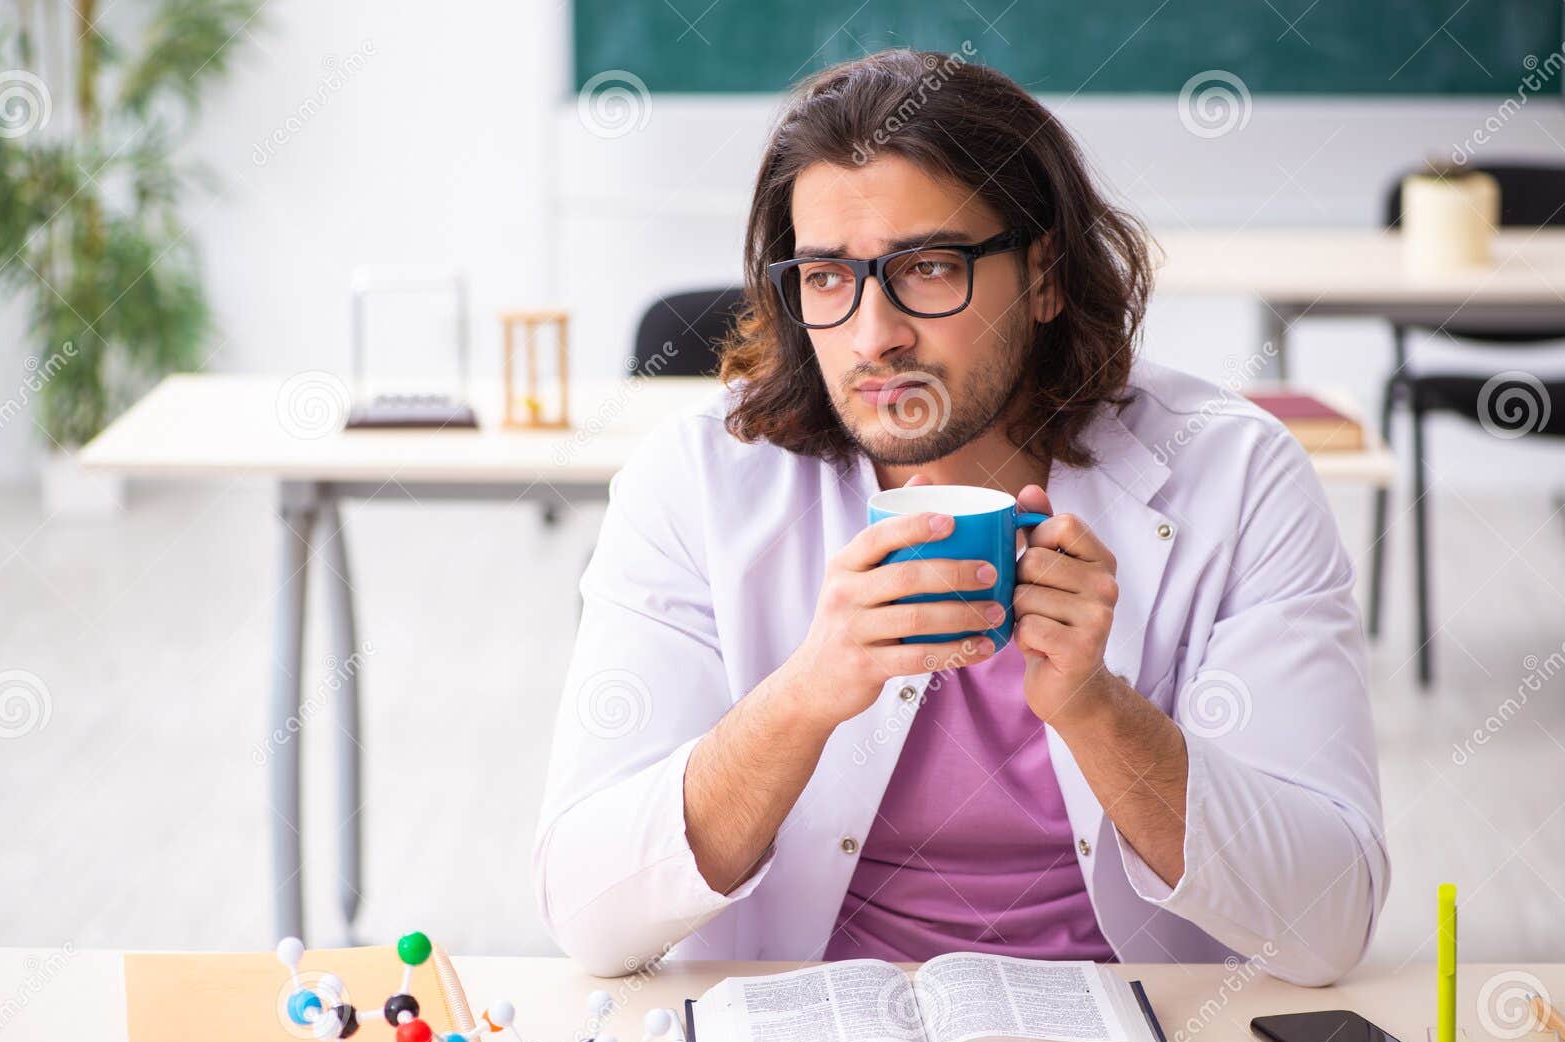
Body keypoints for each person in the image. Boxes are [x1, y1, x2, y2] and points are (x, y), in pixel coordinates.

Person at [533, 49, 1388, 986]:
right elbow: (591, 915)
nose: (874, 335)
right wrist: (809, 692)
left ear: (1045, 274)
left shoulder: (1235, 474)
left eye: (928, 268)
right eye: (827, 278)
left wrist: (1099, 713)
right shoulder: (696, 480)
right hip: (815, 1035)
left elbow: (1327, 922)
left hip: (1137, 1040)